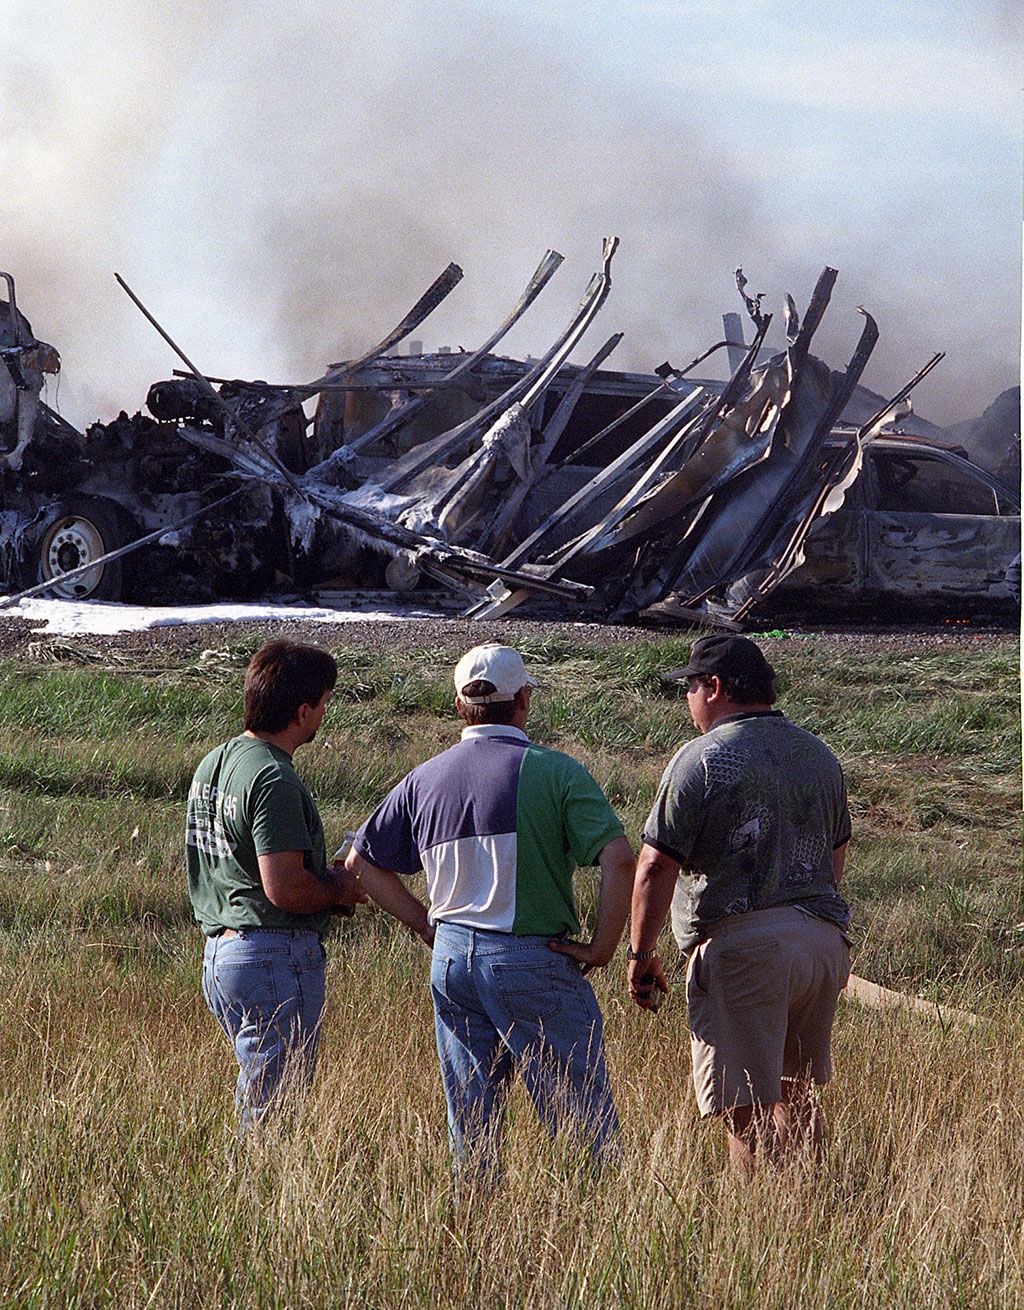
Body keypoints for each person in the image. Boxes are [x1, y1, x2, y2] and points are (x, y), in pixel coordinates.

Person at [345, 642, 634, 1175]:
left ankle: (475, 1226)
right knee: (584, 1126)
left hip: (452, 960)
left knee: (473, 1127)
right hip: (531, 960)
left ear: (459, 706)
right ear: (523, 699)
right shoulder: (558, 772)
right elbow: (619, 858)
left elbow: (360, 863)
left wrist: (422, 923)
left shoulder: (423, 779)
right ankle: (599, 1223)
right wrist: (603, 947)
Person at [627, 634, 851, 1174]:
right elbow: (835, 854)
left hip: (746, 947)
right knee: (797, 1095)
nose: (689, 700)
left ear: (716, 688)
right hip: (821, 941)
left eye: (691, 687)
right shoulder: (818, 754)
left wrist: (640, 954)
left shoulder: (701, 759)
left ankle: (758, 1230)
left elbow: (656, 866)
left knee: (744, 1107)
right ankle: (810, 1210)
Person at [187, 639, 366, 1131]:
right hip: (271, 955)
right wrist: (338, 888)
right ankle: (257, 1197)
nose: (324, 715)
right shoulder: (274, 780)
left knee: (262, 1092)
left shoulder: (216, 762)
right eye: (324, 704)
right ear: (303, 711)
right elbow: (285, 890)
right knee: (275, 1114)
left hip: (221, 955)